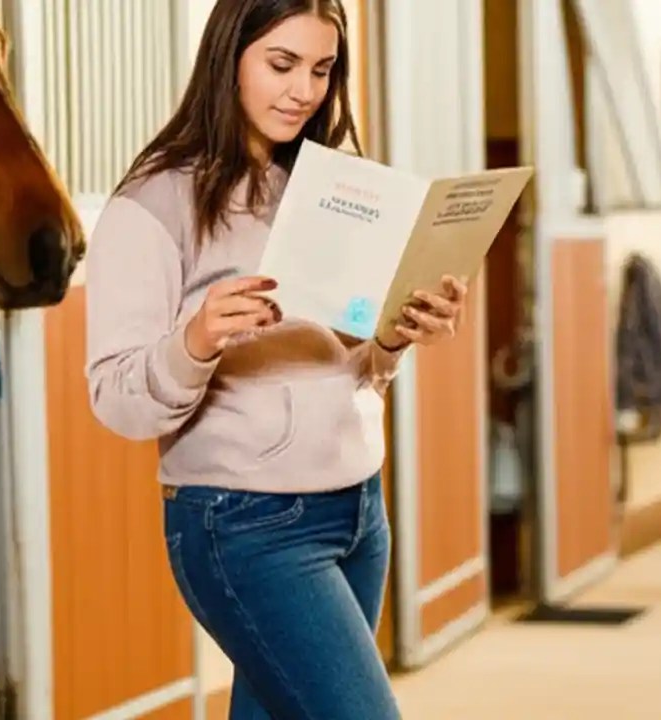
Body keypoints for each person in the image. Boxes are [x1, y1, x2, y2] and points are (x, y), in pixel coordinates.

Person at [83, 1, 468, 717]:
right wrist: (195, 342)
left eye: (322, 70)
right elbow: (115, 400)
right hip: (244, 525)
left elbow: (350, 366)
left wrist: (392, 337)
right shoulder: (152, 205)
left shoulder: (331, 189)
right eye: (282, 65)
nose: (303, 91)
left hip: (359, 508)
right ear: (228, 58)